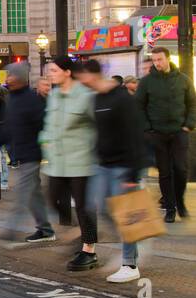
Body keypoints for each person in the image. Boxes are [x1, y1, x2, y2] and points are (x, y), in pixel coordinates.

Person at [76, 59, 149, 284]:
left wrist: (133, 174)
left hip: (123, 167)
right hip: (102, 165)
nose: (81, 82)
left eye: (83, 77)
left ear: (93, 75)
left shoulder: (122, 99)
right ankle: (136, 238)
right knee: (93, 206)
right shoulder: (97, 98)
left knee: (124, 215)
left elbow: (136, 135)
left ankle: (130, 263)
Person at [40, 57, 100, 271]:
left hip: (81, 161)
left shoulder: (85, 96)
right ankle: (80, 233)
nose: (51, 74)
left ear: (67, 72)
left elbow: (98, 127)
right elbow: (48, 125)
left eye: (54, 70)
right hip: (57, 162)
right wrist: (44, 141)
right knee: (52, 199)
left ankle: (89, 250)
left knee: (84, 207)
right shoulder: (55, 95)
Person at [0, 62, 52, 245]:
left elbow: (41, 126)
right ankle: (46, 229)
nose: (9, 78)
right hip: (20, 153)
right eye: (8, 75)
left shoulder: (31, 100)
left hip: (31, 154)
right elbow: (6, 126)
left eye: (12, 75)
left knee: (23, 193)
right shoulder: (11, 99)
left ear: (21, 78)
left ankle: (11, 232)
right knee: (34, 193)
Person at [133, 47, 196, 223]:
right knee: (165, 172)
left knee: (181, 169)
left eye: (160, 59)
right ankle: (170, 207)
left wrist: (189, 124)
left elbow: (192, 103)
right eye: (154, 60)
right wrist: (148, 129)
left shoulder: (183, 80)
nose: (157, 63)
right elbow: (138, 106)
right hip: (157, 133)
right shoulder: (146, 82)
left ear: (168, 58)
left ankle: (180, 202)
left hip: (179, 131)